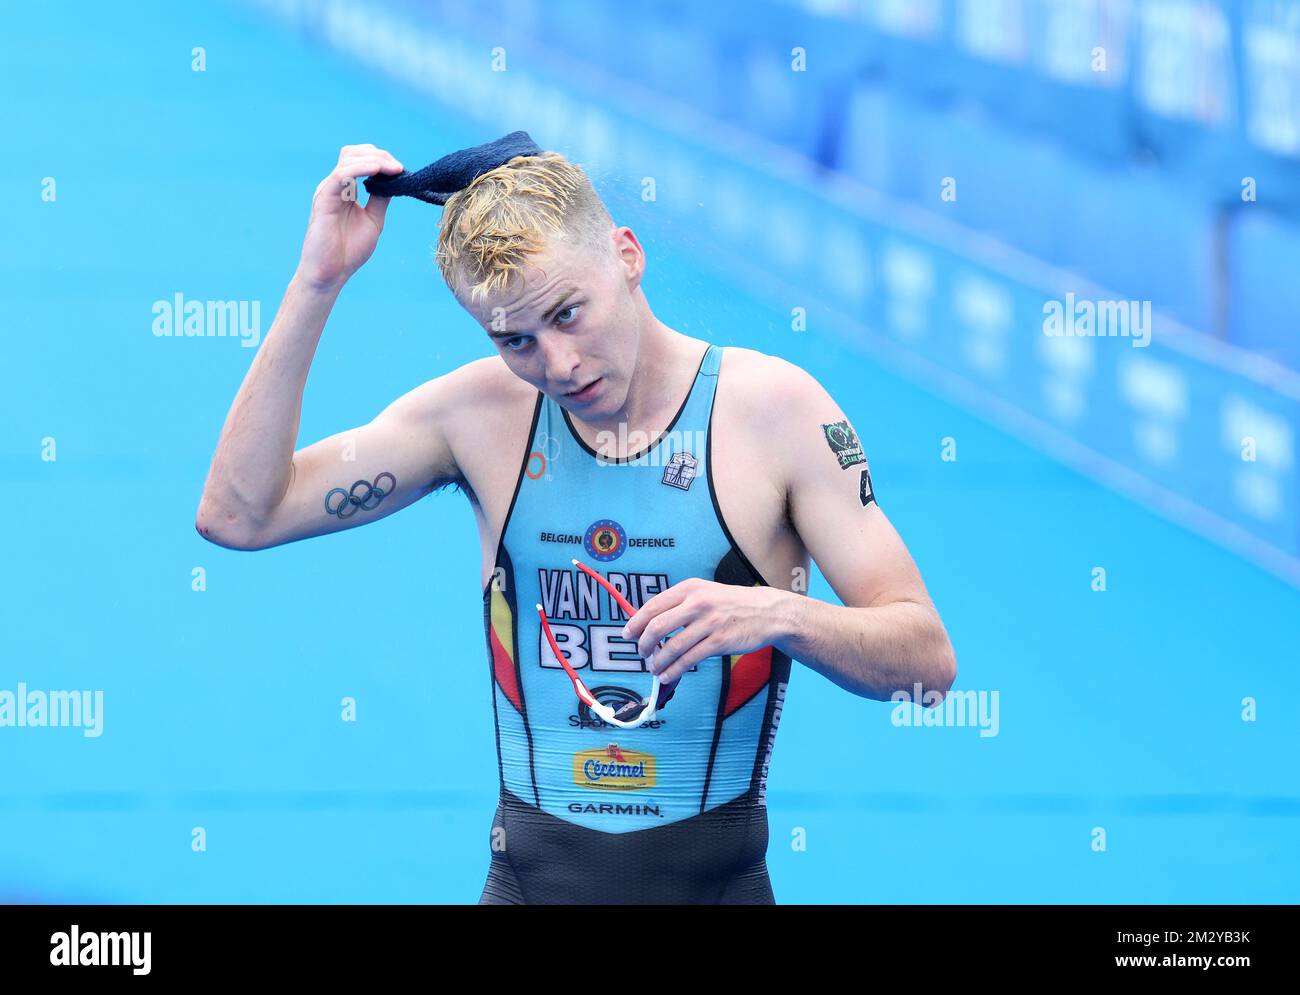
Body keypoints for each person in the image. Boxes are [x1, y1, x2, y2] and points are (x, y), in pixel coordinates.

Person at [196, 137, 957, 904]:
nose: (557, 364)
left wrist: (780, 611)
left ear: (627, 255)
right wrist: (318, 280)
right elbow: (239, 513)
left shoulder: (777, 413)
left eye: (568, 314)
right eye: (515, 339)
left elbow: (927, 662)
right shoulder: (477, 416)